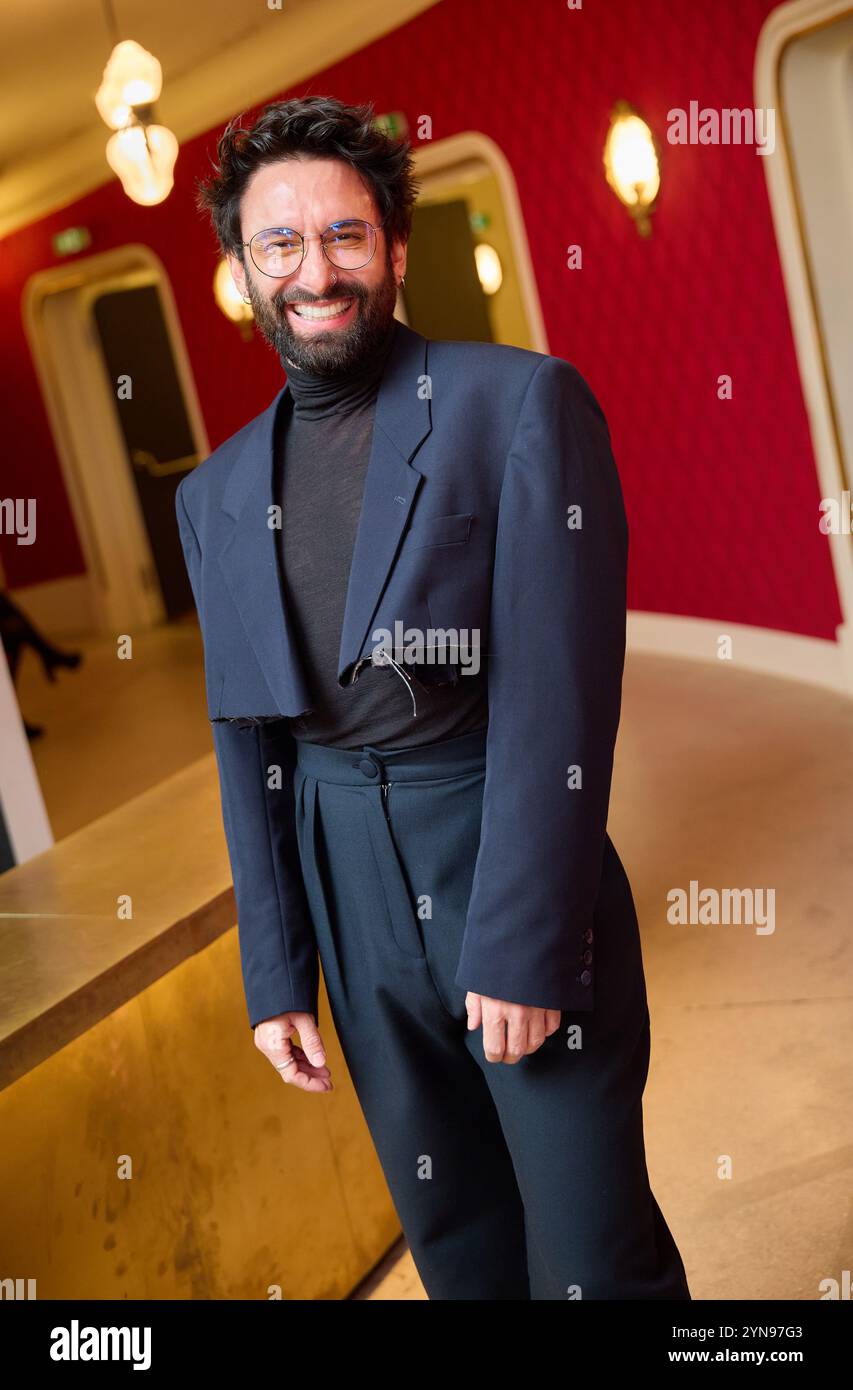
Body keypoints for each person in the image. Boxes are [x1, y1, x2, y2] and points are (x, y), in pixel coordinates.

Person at [176, 94, 690, 1300]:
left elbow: (560, 701)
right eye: (281, 244)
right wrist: (274, 965)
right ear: (243, 269)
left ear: (395, 248)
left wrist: (519, 939)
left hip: (495, 848)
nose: (317, 271)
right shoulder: (214, 494)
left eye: (346, 236)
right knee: (456, 1243)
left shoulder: (514, 404)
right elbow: (247, 737)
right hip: (343, 884)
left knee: (590, 1251)